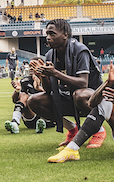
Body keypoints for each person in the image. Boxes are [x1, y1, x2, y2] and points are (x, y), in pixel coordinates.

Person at [26, 19, 105, 147]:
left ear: (65, 34)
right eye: (47, 34)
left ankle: (98, 130)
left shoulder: (80, 50)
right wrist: (44, 75)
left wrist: (55, 73)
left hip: (92, 98)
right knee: (33, 100)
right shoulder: (50, 54)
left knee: (80, 95)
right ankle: (72, 130)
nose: (48, 38)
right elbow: (49, 90)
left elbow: (83, 84)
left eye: (52, 34)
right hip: (68, 95)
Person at [4, 69, 46, 134]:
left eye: (34, 65)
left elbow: (53, 98)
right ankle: (15, 122)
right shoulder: (25, 81)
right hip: (31, 117)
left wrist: (39, 88)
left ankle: (40, 124)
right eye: (30, 66)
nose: (31, 68)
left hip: (47, 116)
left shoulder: (49, 79)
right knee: (23, 95)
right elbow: (15, 100)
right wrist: (17, 90)